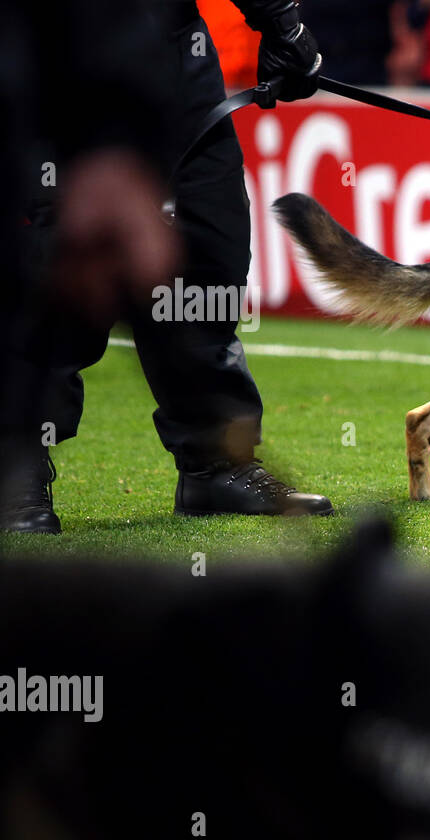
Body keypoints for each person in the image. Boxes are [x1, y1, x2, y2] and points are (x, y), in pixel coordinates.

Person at [0, 0, 332, 535]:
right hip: (47, 47)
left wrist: (278, 19)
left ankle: (216, 461)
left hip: (172, 41)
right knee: (57, 254)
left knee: (211, 240)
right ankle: (16, 464)